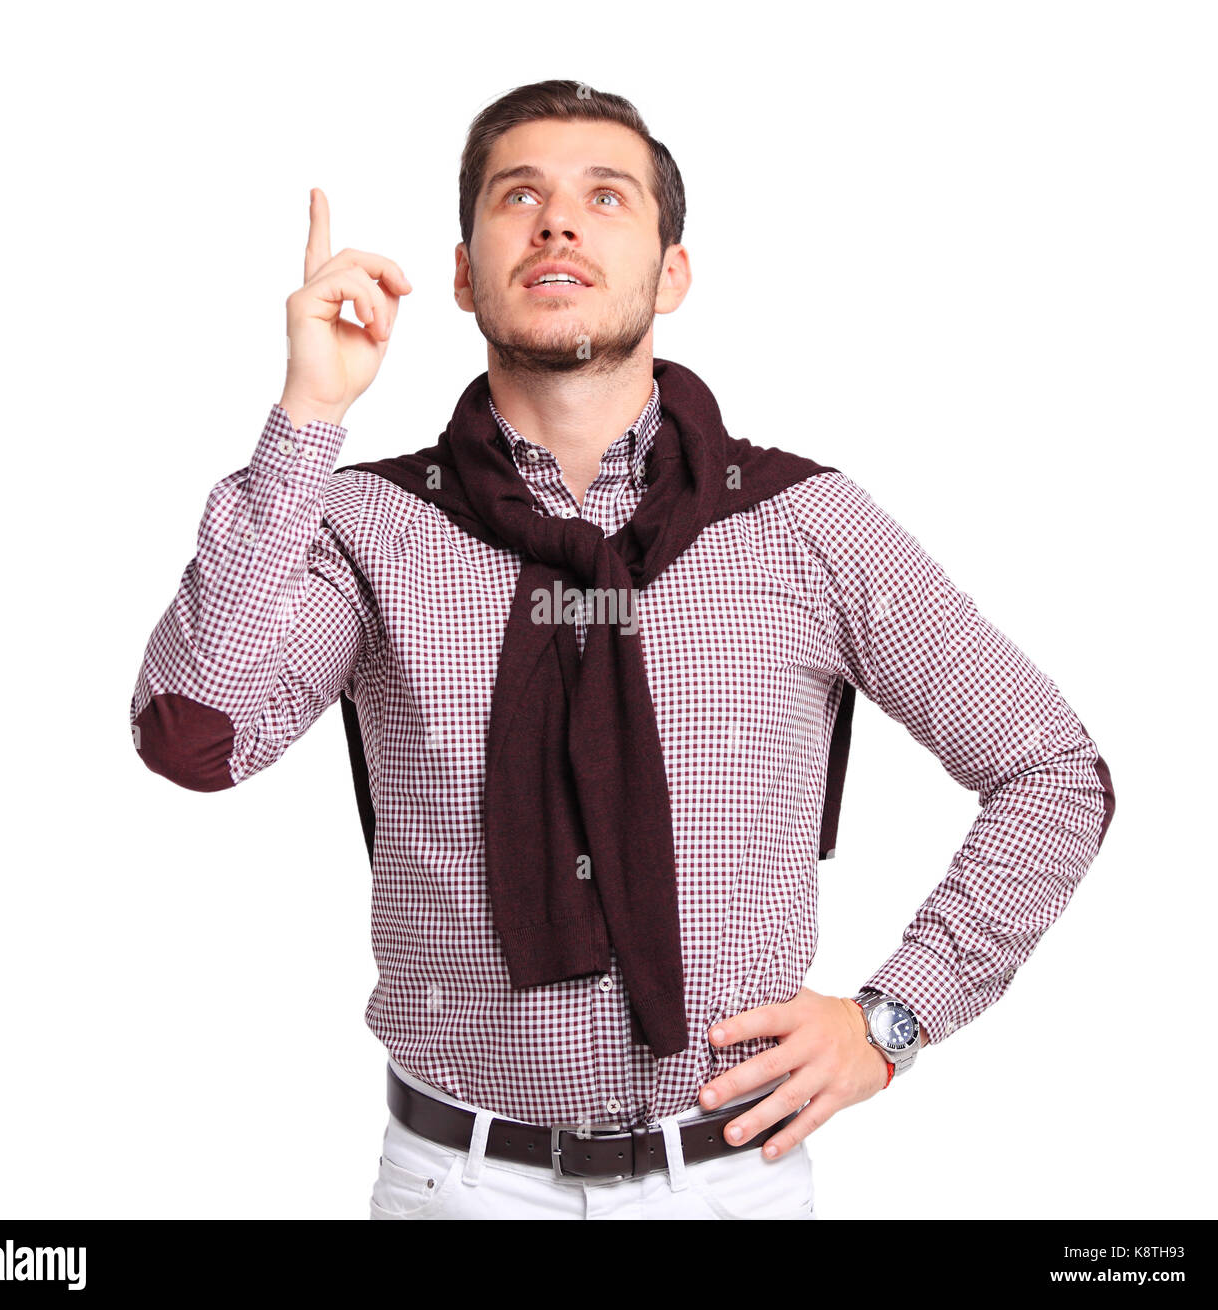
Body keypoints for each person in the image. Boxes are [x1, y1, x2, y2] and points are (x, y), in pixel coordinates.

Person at [130, 79, 1115, 1221]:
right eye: (519, 197)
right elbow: (193, 735)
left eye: (605, 197)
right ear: (461, 273)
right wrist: (306, 416)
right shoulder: (367, 524)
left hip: (728, 1184)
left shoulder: (800, 522)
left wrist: (895, 1017)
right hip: (455, 1182)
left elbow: (1054, 770)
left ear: (672, 270)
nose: (558, 222)